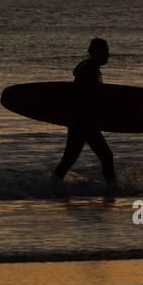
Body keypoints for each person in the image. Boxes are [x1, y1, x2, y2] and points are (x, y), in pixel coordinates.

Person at [54, 37, 117, 196]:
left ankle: (50, 188)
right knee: (106, 156)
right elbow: (85, 96)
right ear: (97, 52)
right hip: (84, 122)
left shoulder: (88, 67)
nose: (108, 55)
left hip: (79, 121)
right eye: (105, 52)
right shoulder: (89, 69)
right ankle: (113, 190)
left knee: (69, 160)